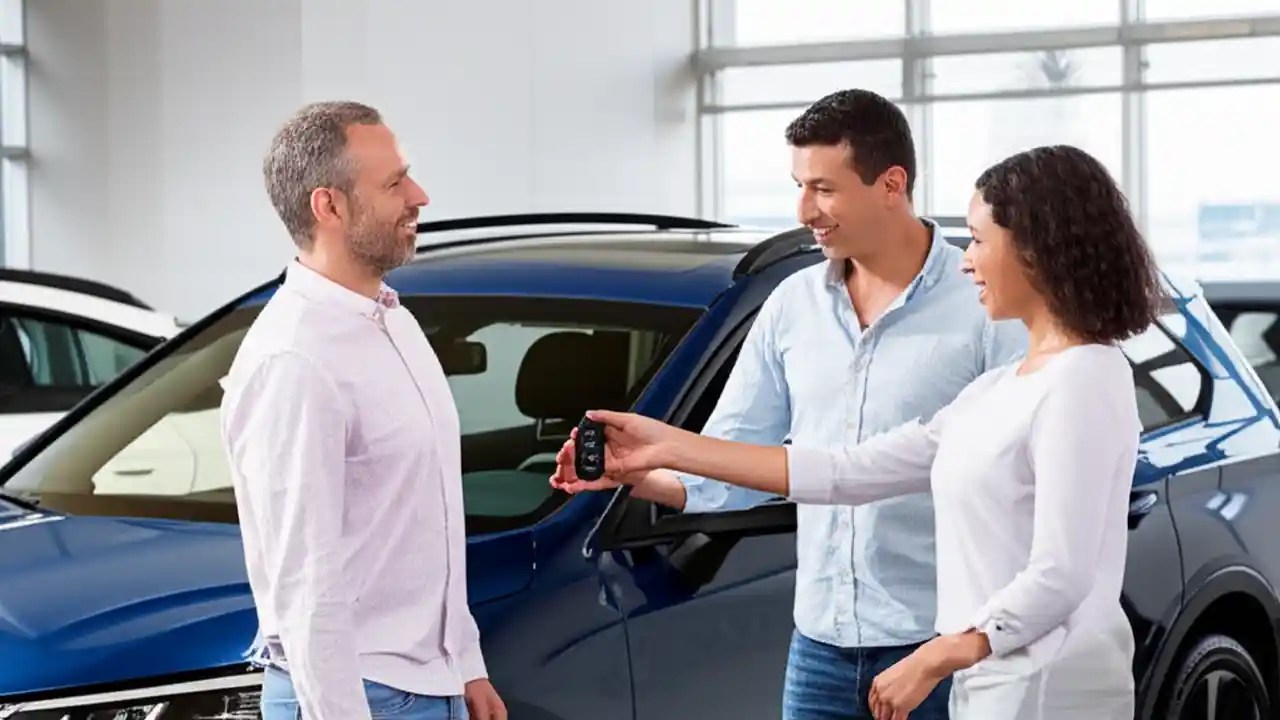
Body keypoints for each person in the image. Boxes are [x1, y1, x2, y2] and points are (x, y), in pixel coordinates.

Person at [557, 144, 1162, 720]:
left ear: (1039, 249)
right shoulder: (998, 390)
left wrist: (934, 656)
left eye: (979, 241)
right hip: (992, 687)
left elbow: (1061, 573)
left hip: (1050, 691)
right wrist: (662, 447)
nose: (968, 259)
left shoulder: (1087, 378)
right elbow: (847, 471)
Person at [220, 101, 507, 720]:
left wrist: (464, 663)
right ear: (330, 206)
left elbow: (423, 521)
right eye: (394, 183)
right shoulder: (294, 359)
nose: (419, 196)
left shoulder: (391, 319)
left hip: (429, 685)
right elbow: (305, 585)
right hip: (355, 697)